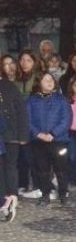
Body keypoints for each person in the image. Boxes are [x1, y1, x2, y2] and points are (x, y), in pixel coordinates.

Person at [27, 72, 72, 207]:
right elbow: (27, 120)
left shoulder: (61, 99)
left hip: (58, 140)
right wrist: (38, 134)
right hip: (39, 141)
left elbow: (67, 119)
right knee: (42, 170)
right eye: (45, 79)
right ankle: (45, 194)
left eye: (51, 79)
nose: (49, 82)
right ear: (39, 83)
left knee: (61, 170)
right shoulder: (32, 100)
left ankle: (63, 194)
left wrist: (53, 134)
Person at [0, 63, 27, 215]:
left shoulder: (9, 86)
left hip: (10, 135)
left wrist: (22, 134)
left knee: (10, 167)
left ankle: (11, 196)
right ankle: (5, 198)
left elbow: (21, 111)